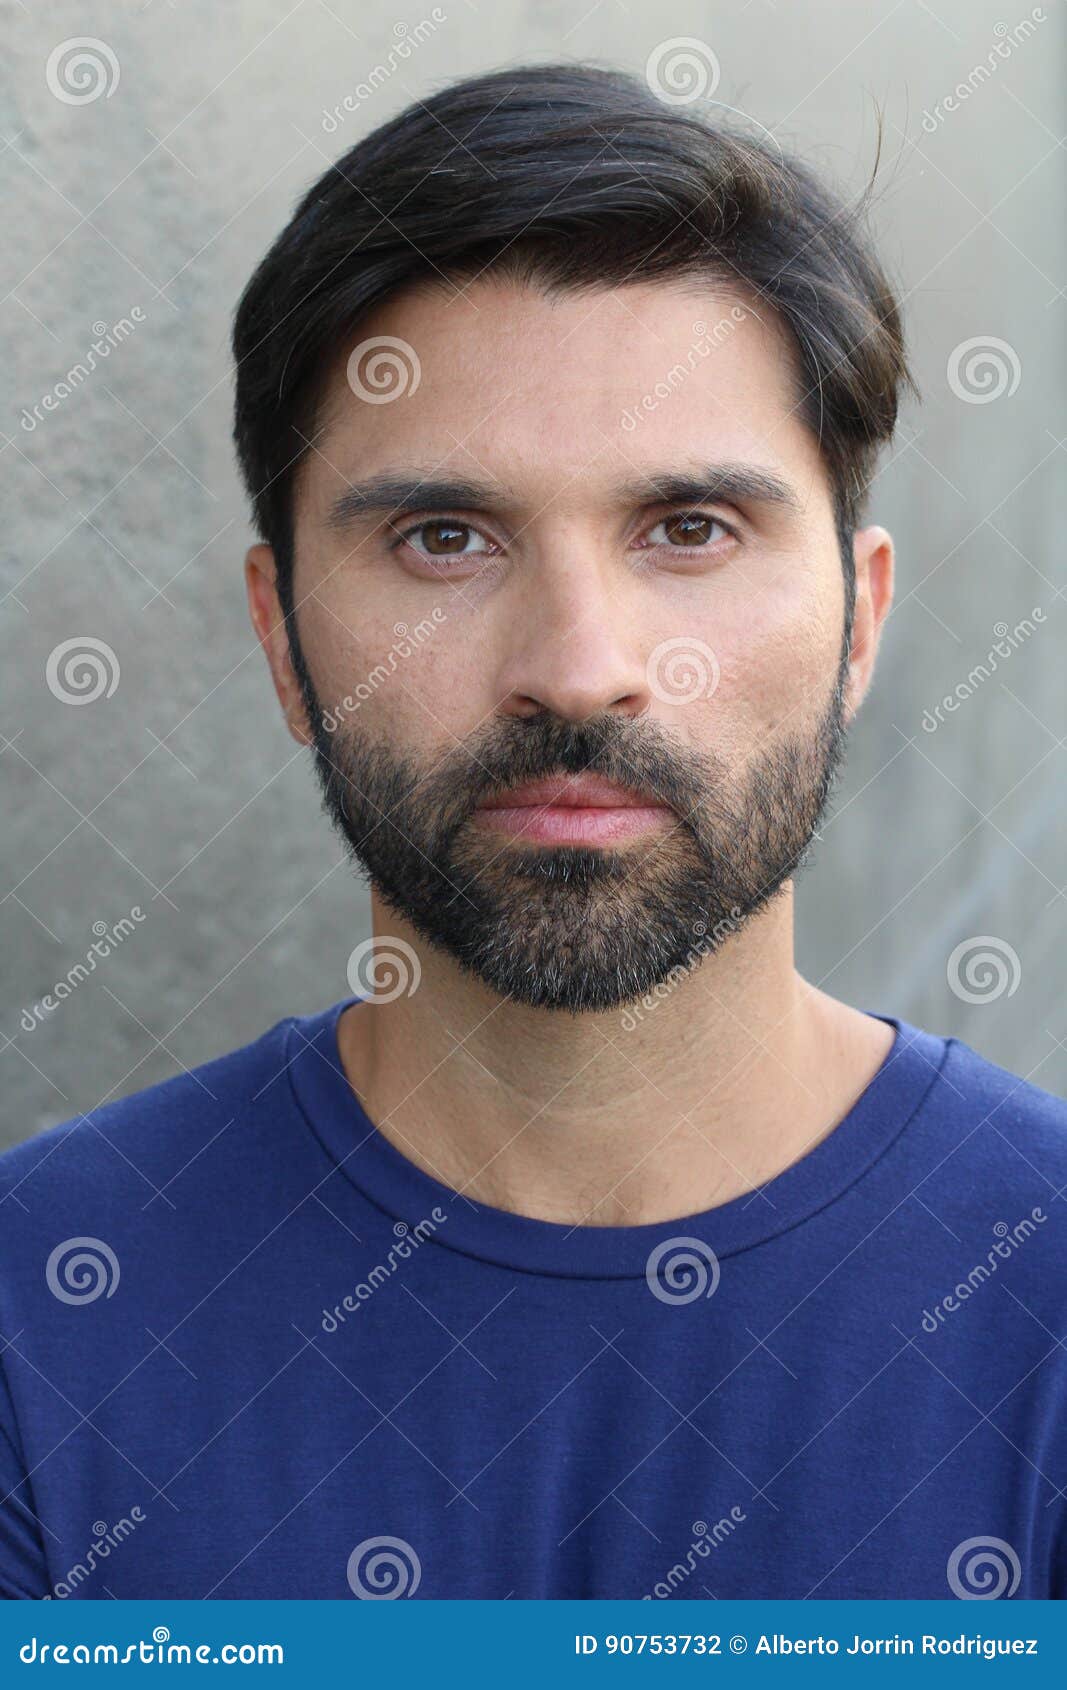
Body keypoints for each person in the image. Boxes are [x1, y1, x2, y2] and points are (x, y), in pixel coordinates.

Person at [2, 63, 1064, 1602]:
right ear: (286, 639)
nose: (577, 664)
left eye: (690, 529)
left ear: (860, 622)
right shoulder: (43, 1326)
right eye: (446, 537)